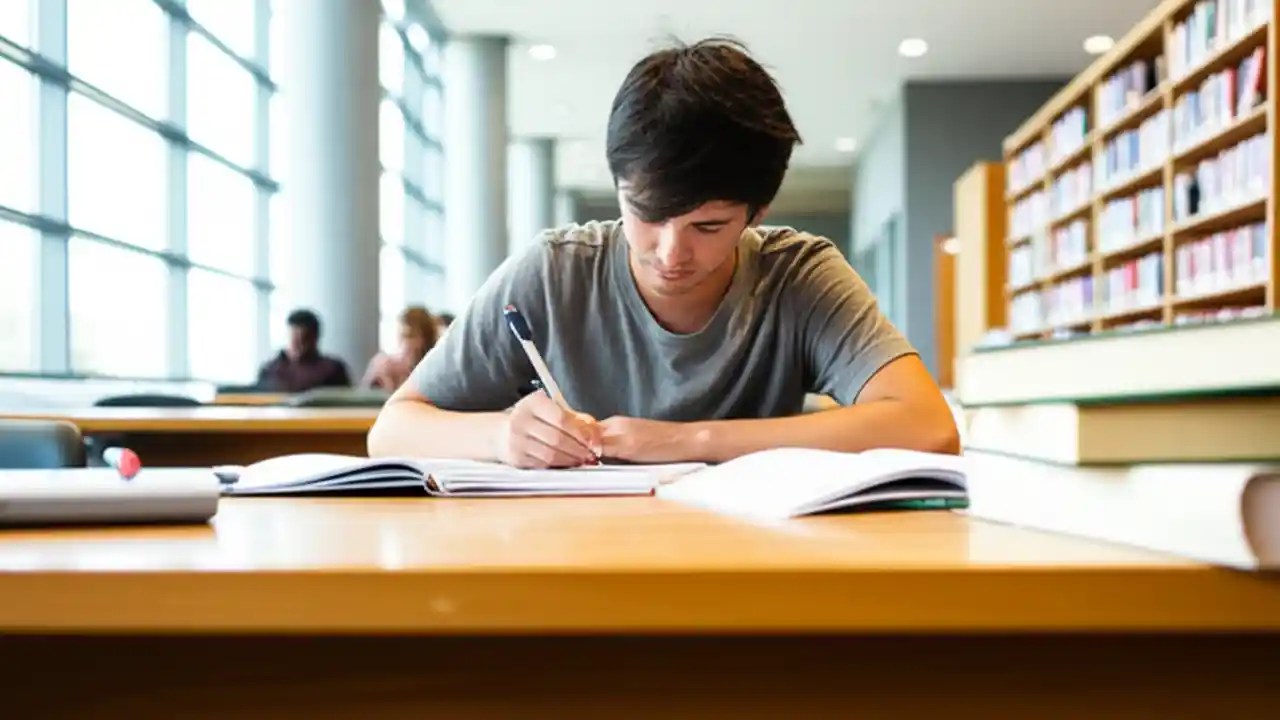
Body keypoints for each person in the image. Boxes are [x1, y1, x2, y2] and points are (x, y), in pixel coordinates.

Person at [369, 38, 959, 468]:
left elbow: (929, 426)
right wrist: (501, 438)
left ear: (757, 212)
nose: (671, 252)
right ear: (618, 187)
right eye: (648, 215)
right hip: (571, 559)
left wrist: (687, 441)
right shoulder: (554, 272)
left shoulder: (798, 276)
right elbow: (392, 429)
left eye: (709, 225)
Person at [257, 309, 351, 393]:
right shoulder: (270, 369)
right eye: (295, 341)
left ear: (316, 338)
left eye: (304, 341)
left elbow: (346, 401)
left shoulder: (332, 369)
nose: (300, 348)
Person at [361, 305, 439, 390]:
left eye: (411, 336)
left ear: (427, 339)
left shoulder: (434, 370)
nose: (407, 344)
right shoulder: (385, 366)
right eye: (404, 336)